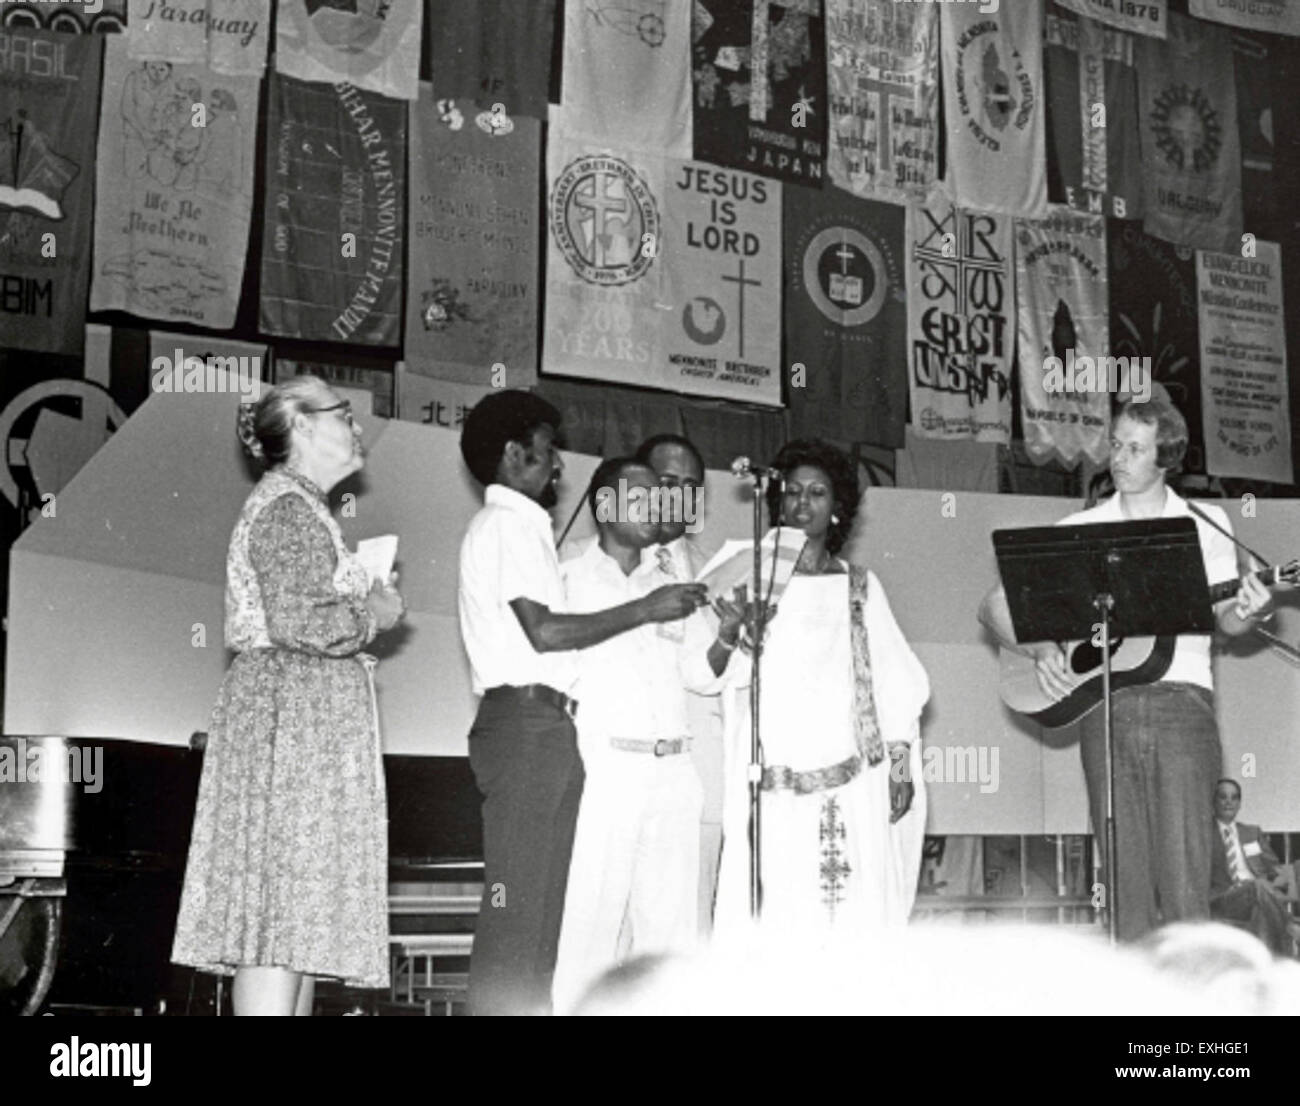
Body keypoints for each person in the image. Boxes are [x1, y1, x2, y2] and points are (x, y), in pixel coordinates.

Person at [979, 397, 1277, 942]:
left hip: (1181, 704)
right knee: (1123, 878)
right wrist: (1042, 650)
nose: (1118, 457)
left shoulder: (1205, 525)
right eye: (1115, 443)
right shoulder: (1082, 525)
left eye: (1134, 448)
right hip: (1106, 708)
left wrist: (1249, 606)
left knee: (1187, 878)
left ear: (1166, 457)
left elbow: (1225, 625)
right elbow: (995, 606)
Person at [457, 391, 708, 1016]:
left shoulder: (527, 529)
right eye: (546, 449)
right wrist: (645, 610)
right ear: (515, 455)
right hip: (531, 722)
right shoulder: (513, 526)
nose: (556, 464)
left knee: (542, 916)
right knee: (530, 916)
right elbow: (544, 632)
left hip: (552, 727)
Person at [172, 376, 405, 1015]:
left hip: (300, 718)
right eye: (344, 414)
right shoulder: (287, 509)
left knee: (295, 920)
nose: (356, 428)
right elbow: (304, 621)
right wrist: (373, 614)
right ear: (302, 426)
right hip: (289, 719)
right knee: (279, 916)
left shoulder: (302, 508)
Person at [713, 438, 930, 934]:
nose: (802, 503)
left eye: (817, 493)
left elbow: (900, 688)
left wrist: (899, 768)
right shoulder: (747, 577)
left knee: (851, 916)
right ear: (777, 502)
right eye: (792, 492)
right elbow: (719, 674)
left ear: (837, 509)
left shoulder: (860, 586)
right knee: (779, 917)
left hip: (853, 781)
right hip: (773, 781)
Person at [551, 458, 734, 1013]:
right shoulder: (568, 575)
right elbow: (552, 650)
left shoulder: (671, 585)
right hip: (607, 771)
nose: (658, 510)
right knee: (591, 927)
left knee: (670, 936)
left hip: (674, 773)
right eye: (643, 499)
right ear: (605, 506)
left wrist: (728, 634)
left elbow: (701, 676)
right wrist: (641, 610)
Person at [633, 432, 727, 933]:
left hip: (702, 775)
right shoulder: (585, 562)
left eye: (691, 486)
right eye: (667, 482)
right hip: (622, 774)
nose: (678, 496)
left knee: (693, 928)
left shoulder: (721, 569)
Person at [1209, 779, 1298, 955]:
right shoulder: (1204, 833)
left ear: (1239, 804)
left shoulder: (1251, 832)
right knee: (1256, 886)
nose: (1229, 802)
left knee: (1260, 910)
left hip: (1257, 894)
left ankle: (1270, 966)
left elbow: (1273, 868)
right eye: (1223, 797)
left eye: (1234, 798)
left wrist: (1274, 879)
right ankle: (1290, 926)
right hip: (1225, 898)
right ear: (1214, 801)